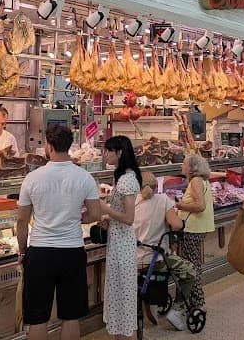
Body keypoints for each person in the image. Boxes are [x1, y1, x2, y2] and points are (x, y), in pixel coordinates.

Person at [16, 125, 102, 340]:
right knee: (71, 316)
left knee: (37, 317)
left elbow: (21, 219)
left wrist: (23, 252)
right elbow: (95, 214)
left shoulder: (33, 178)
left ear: (49, 146)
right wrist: (79, 217)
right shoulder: (84, 177)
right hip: (72, 251)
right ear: (69, 145)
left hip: (40, 253)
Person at [133, 172, 197, 331]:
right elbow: (175, 224)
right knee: (189, 272)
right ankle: (177, 309)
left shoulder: (132, 202)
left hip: (134, 259)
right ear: (156, 187)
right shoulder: (163, 200)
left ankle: (151, 302)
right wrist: (181, 222)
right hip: (157, 259)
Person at [101, 136, 142, 340]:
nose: (106, 154)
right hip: (118, 243)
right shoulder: (123, 177)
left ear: (119, 153)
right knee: (119, 300)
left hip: (122, 246)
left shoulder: (127, 180)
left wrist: (105, 209)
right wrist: (109, 218)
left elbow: (128, 217)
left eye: (109, 150)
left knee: (123, 302)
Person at [176, 154, 215, 311]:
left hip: (193, 228)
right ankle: (192, 301)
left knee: (191, 267)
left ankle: (198, 303)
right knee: (193, 265)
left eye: (184, 164)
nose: (181, 166)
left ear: (192, 168)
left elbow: (200, 206)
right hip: (199, 227)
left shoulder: (195, 181)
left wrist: (180, 206)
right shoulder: (202, 180)